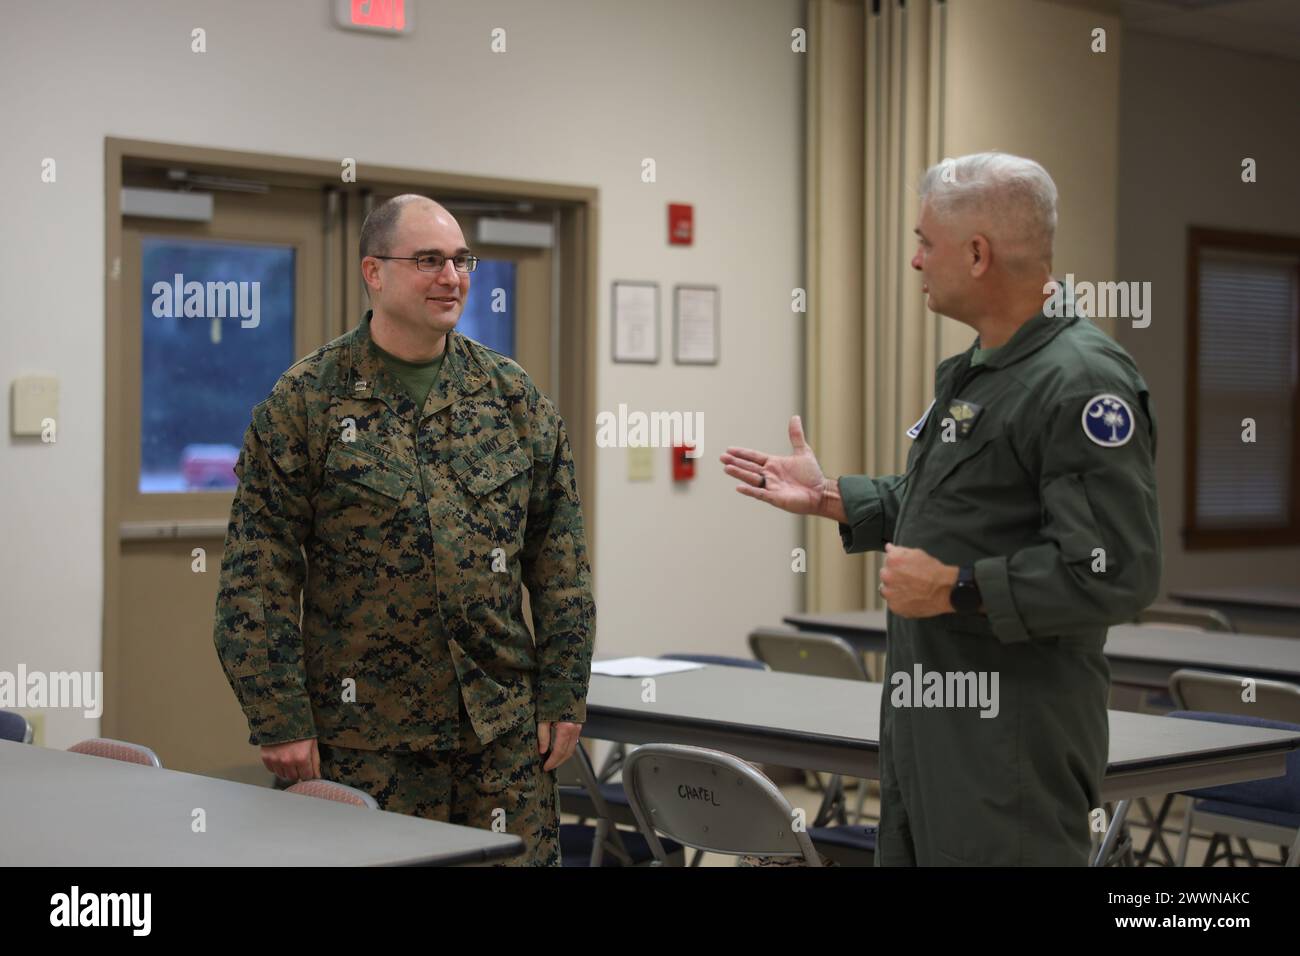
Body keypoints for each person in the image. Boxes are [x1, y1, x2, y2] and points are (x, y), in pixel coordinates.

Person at [720, 153, 1161, 865]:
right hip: (933, 719)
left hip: (1010, 735)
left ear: (978, 253)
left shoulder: (1078, 380)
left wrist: (955, 588)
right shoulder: (981, 369)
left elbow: (1117, 572)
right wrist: (830, 496)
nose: (917, 261)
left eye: (926, 242)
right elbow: (952, 507)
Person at [214, 194, 595, 866]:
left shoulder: (512, 398)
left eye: (460, 260)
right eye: (428, 261)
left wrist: (565, 694)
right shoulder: (306, 401)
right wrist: (278, 716)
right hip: (364, 741)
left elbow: (560, 562)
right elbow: (257, 574)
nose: (451, 277)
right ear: (374, 272)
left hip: (500, 736)